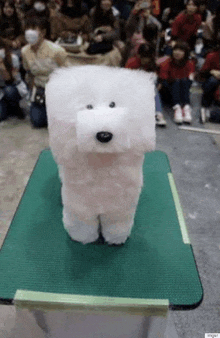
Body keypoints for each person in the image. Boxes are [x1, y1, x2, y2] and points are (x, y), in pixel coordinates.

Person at [21, 16, 69, 128]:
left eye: (34, 29)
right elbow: (30, 74)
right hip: (40, 91)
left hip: (57, 91)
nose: (30, 33)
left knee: (59, 123)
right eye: (28, 29)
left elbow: (68, 74)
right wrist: (32, 95)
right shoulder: (24, 51)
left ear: (43, 33)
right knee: (37, 122)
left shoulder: (57, 51)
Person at [125, 43, 167, 127]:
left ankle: (158, 113)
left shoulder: (155, 64)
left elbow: (162, 77)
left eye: (147, 57)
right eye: (143, 57)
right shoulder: (131, 62)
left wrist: (159, 85)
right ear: (139, 55)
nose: (145, 60)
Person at [158, 41, 195, 124]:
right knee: (176, 81)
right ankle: (177, 108)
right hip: (168, 91)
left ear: (185, 53)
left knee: (184, 80)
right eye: (175, 49)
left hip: (182, 90)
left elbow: (190, 80)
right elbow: (163, 79)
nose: (177, 52)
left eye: (181, 50)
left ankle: (186, 107)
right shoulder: (167, 62)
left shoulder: (189, 63)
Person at [0, 39, 28, 122]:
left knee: (9, 91)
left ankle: (15, 107)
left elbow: (9, 80)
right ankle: (7, 106)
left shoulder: (13, 58)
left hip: (12, 86)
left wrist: (2, 67)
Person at [198, 43, 220, 123]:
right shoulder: (212, 55)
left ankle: (211, 113)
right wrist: (212, 72)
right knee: (212, 81)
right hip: (213, 83)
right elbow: (202, 74)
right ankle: (205, 107)